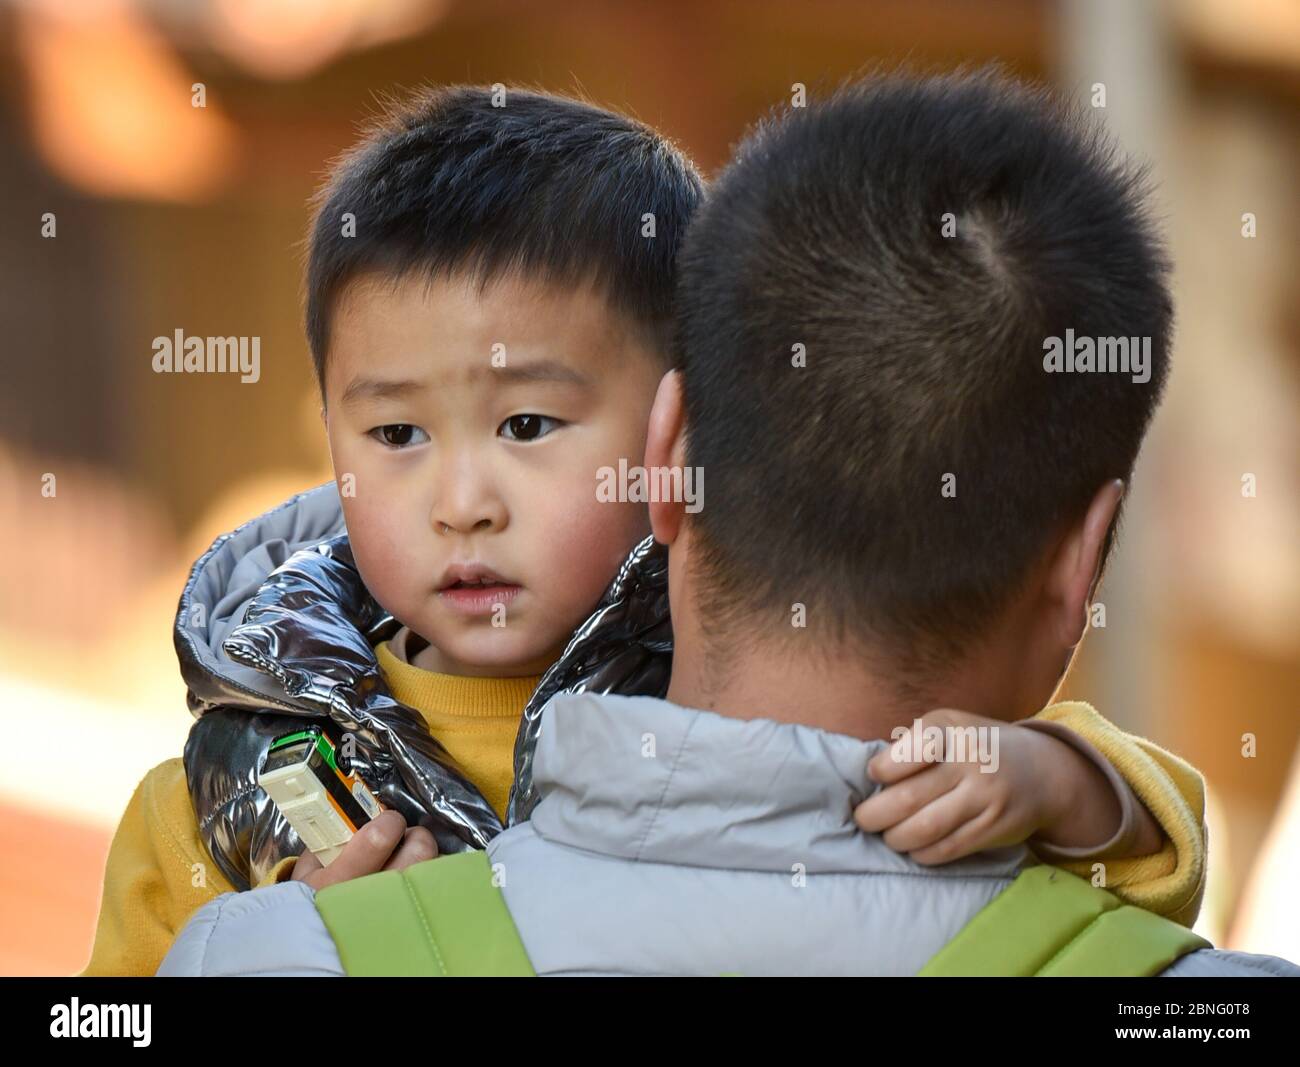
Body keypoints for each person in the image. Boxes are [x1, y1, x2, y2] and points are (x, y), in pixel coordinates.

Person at [89, 79, 1208, 977]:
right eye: (393, 434)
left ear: (672, 437)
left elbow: (1153, 846)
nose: (460, 500)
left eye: (527, 422)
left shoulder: (728, 702)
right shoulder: (228, 782)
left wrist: (1062, 775)